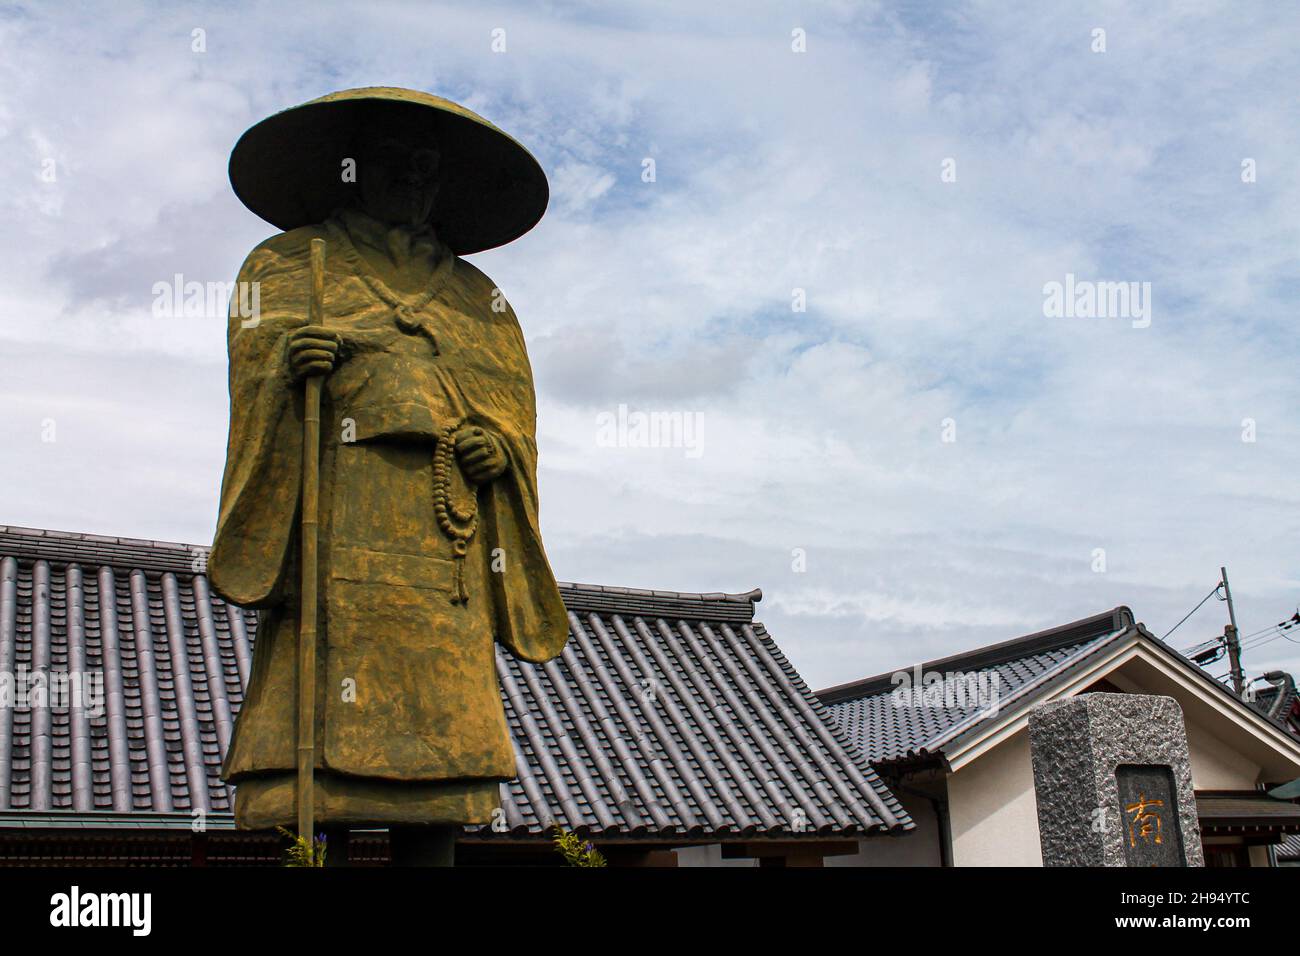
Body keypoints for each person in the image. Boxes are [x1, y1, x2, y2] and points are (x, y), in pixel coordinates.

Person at [208, 89, 568, 863]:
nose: (413, 177)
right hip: (334, 529)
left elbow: (514, 420)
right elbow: (255, 382)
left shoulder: (483, 300)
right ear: (352, 167)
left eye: (428, 165)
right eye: (395, 159)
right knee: (320, 769)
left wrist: (496, 451)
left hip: (448, 547)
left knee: (442, 773)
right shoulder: (289, 265)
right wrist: (288, 371)